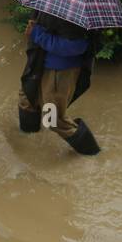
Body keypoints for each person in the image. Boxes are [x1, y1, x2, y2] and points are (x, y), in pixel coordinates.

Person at [18, 10, 100, 155]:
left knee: (53, 118)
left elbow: (77, 46)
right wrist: (34, 26)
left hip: (59, 72)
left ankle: (91, 154)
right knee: (27, 99)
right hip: (39, 62)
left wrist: (37, 33)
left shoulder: (78, 13)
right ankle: (26, 142)